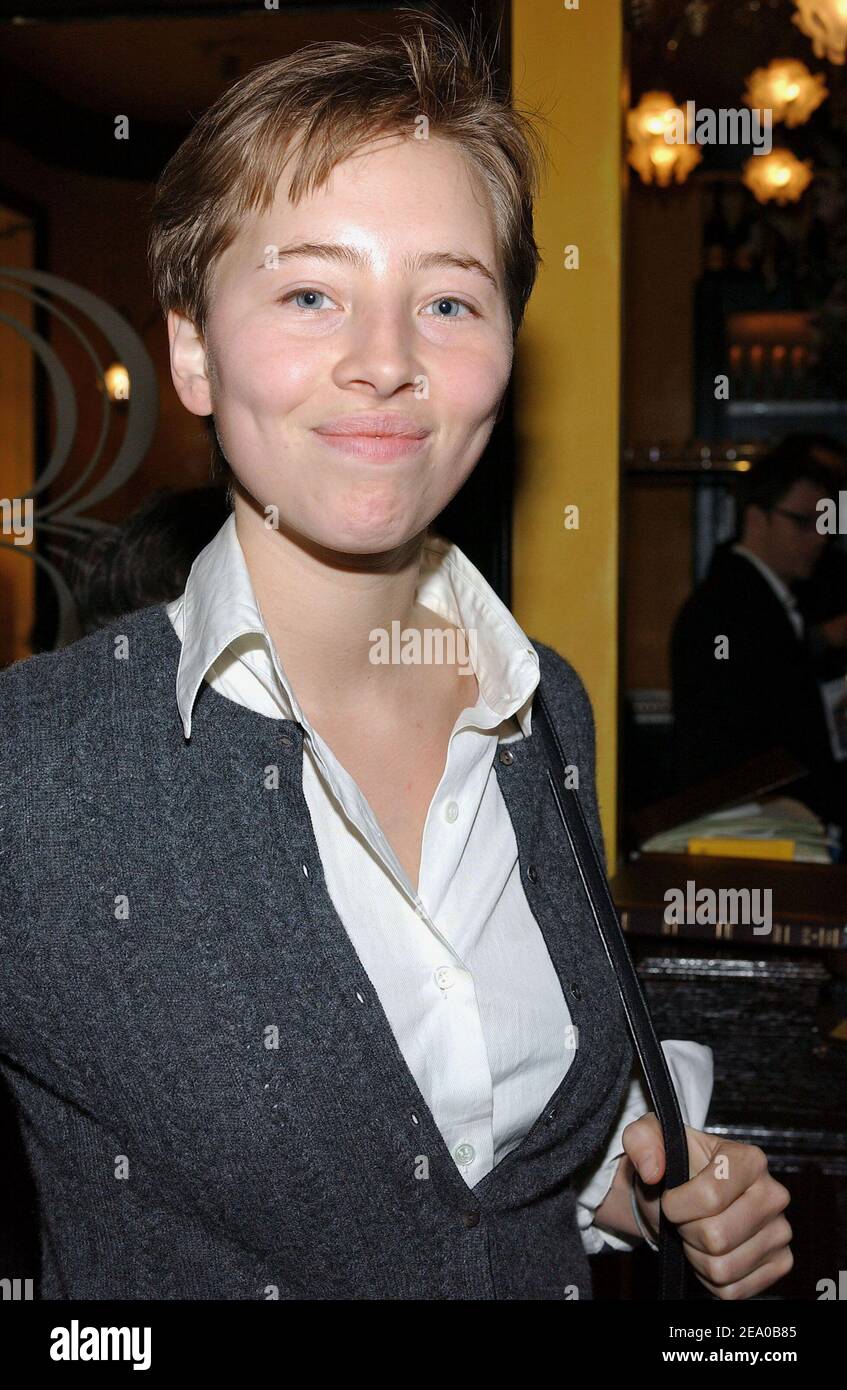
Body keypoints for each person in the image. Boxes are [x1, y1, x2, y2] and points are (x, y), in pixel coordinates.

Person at [0, 12, 791, 1301]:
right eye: (312, 292)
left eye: (445, 299)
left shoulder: (547, 708)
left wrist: (636, 1194)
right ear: (194, 347)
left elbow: (479, 1133)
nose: (385, 361)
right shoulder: (31, 770)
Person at [671, 441, 847, 830]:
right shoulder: (732, 607)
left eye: (824, 525)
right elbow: (749, 747)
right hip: (754, 830)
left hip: (767, 823)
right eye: (803, 522)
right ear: (756, 519)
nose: (819, 538)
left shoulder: (756, 599)